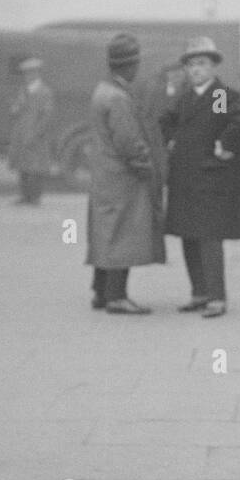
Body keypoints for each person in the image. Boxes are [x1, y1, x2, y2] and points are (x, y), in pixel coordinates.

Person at [160, 36, 240, 318]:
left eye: (201, 64)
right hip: (186, 178)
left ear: (214, 67)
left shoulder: (217, 96)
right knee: (189, 236)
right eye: (191, 65)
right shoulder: (187, 97)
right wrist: (170, 140)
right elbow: (165, 120)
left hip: (211, 179)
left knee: (209, 238)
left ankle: (216, 297)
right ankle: (199, 293)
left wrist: (225, 144)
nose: (195, 70)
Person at [85, 33, 166, 314]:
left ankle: (101, 292)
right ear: (130, 65)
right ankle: (117, 296)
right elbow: (128, 142)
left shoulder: (101, 91)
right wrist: (147, 167)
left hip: (105, 176)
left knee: (105, 234)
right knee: (123, 235)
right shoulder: (118, 97)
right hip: (123, 178)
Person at [8, 56, 55, 206]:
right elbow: (15, 110)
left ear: (37, 74)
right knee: (22, 166)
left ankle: (35, 197)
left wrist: (36, 133)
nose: (27, 76)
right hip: (21, 133)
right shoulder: (23, 90)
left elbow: (47, 116)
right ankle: (25, 196)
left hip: (35, 134)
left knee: (36, 167)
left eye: (30, 73)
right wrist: (16, 107)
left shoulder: (45, 92)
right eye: (26, 73)